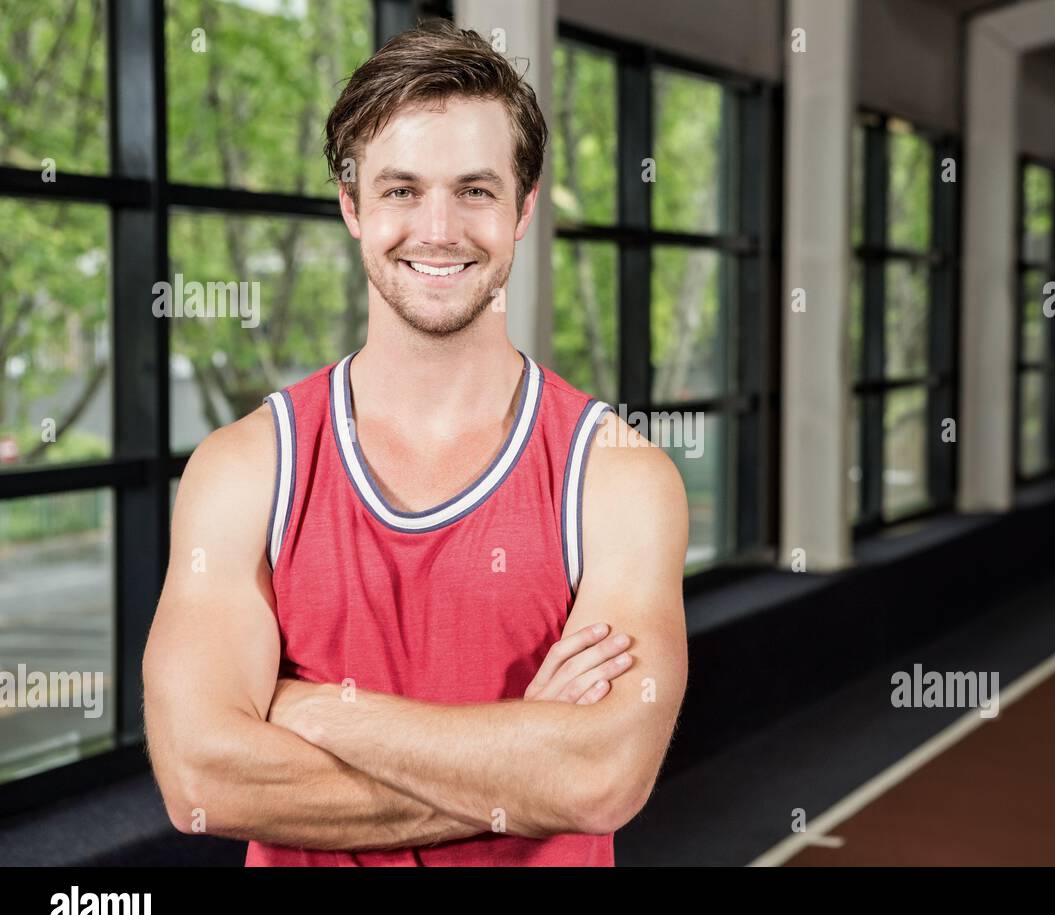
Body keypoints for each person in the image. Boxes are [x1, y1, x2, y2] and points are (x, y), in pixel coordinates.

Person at [142, 19, 688, 866]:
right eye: (401, 190)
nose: (438, 229)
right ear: (352, 207)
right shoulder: (246, 467)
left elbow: (599, 781)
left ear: (522, 211)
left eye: (475, 190)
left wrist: (315, 711)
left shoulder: (617, 476)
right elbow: (203, 783)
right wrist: (517, 767)